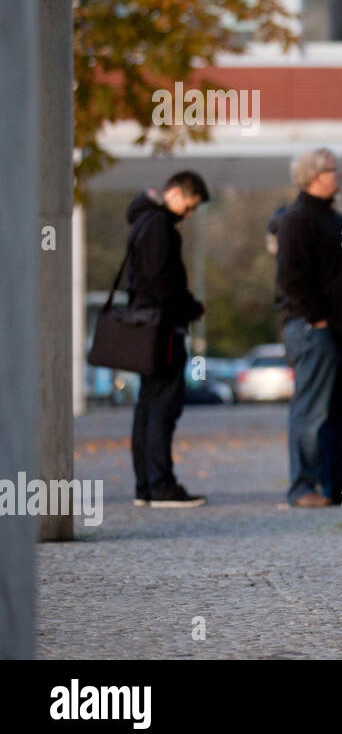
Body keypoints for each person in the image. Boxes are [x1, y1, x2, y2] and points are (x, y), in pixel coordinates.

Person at [275, 148, 342, 507]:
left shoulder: (338, 220)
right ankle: (304, 487)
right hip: (314, 330)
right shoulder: (296, 220)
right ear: (314, 176)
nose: (340, 175)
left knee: (340, 415)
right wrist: (317, 318)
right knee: (312, 412)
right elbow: (290, 279)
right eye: (333, 170)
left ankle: (336, 487)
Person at [125, 171, 211, 507]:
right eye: (189, 206)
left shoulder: (142, 222)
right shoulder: (160, 226)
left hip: (146, 326)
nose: (187, 215)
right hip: (163, 329)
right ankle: (161, 484)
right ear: (175, 193)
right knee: (163, 406)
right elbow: (163, 282)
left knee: (147, 406)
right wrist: (190, 307)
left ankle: (146, 485)